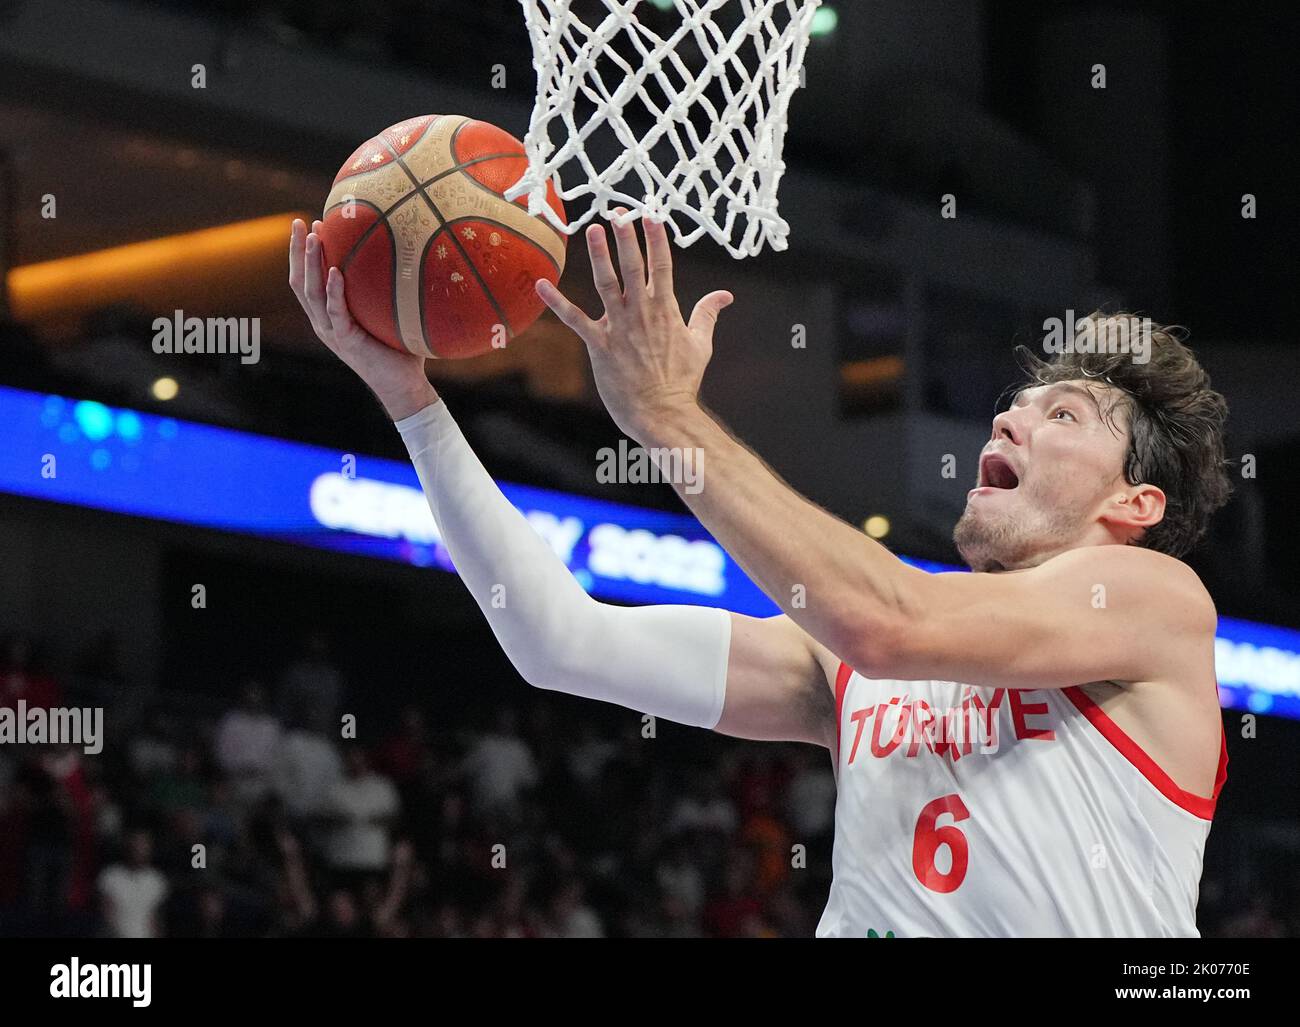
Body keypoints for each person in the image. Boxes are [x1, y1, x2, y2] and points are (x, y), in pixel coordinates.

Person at [289, 211, 1231, 938]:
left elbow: (887, 619)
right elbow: (557, 640)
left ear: (1135, 506)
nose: (1009, 422)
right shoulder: (848, 662)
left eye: (1062, 415)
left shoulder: (1149, 600)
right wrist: (411, 404)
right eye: (1012, 407)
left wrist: (667, 416)